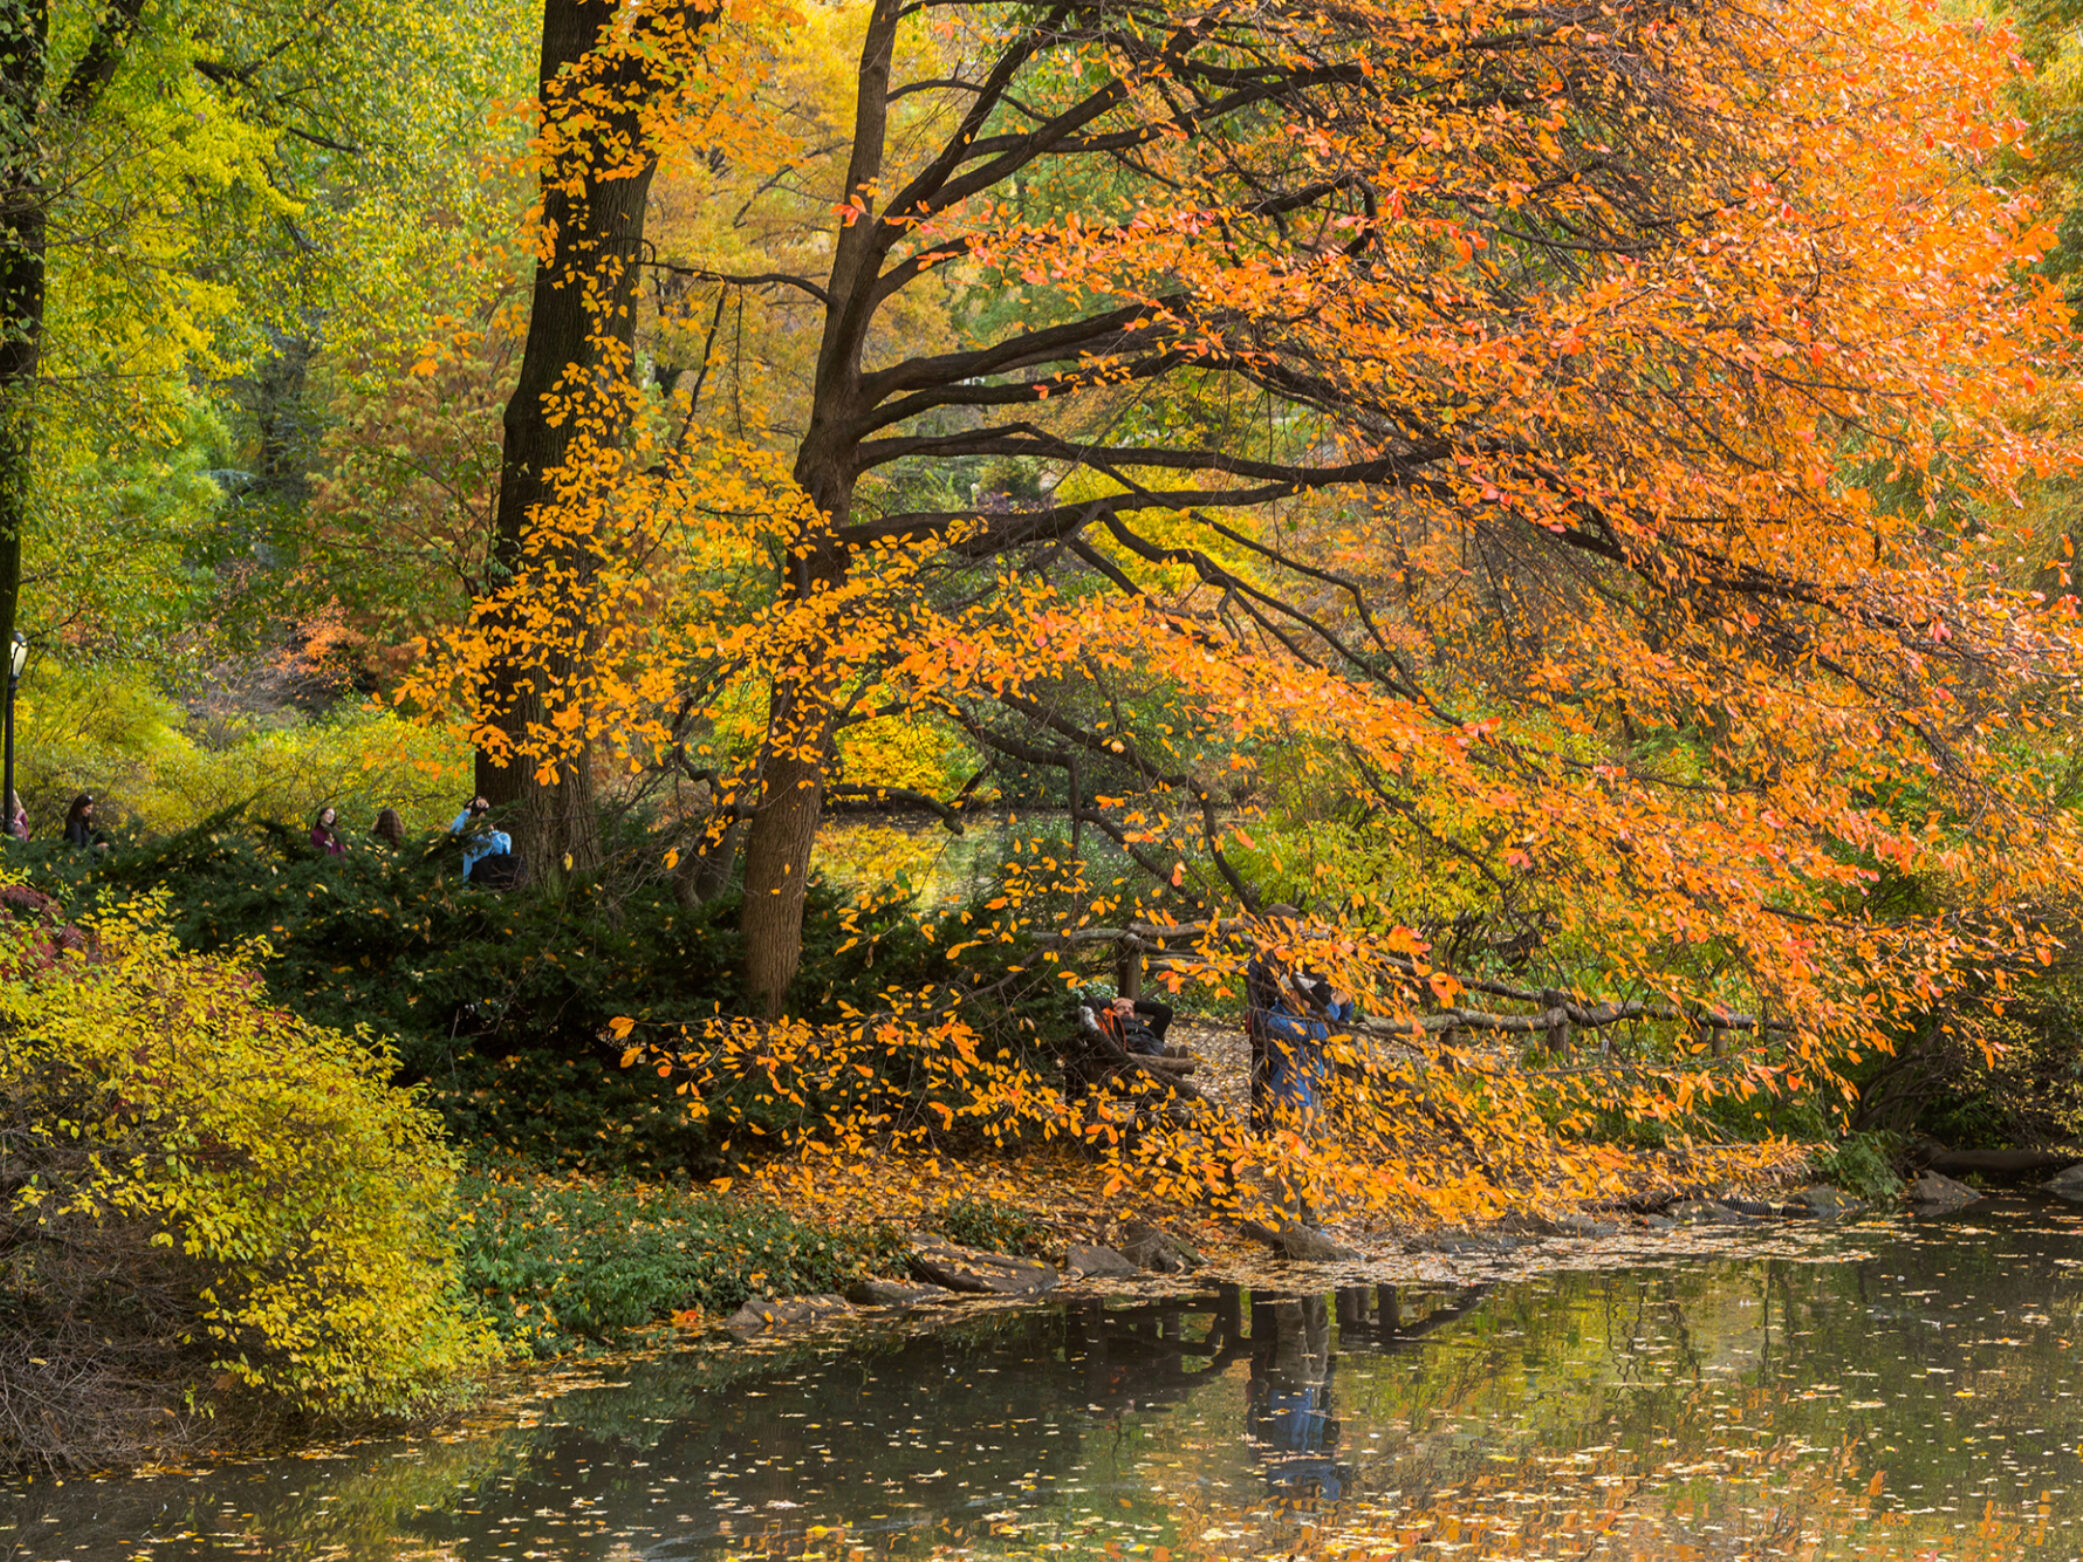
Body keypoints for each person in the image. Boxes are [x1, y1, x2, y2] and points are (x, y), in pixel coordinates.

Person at [449, 795, 518, 887]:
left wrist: (490, 833)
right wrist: (467, 810)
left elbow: (501, 852)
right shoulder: (470, 838)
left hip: (491, 885)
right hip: (470, 885)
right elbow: (453, 832)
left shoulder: (503, 837)